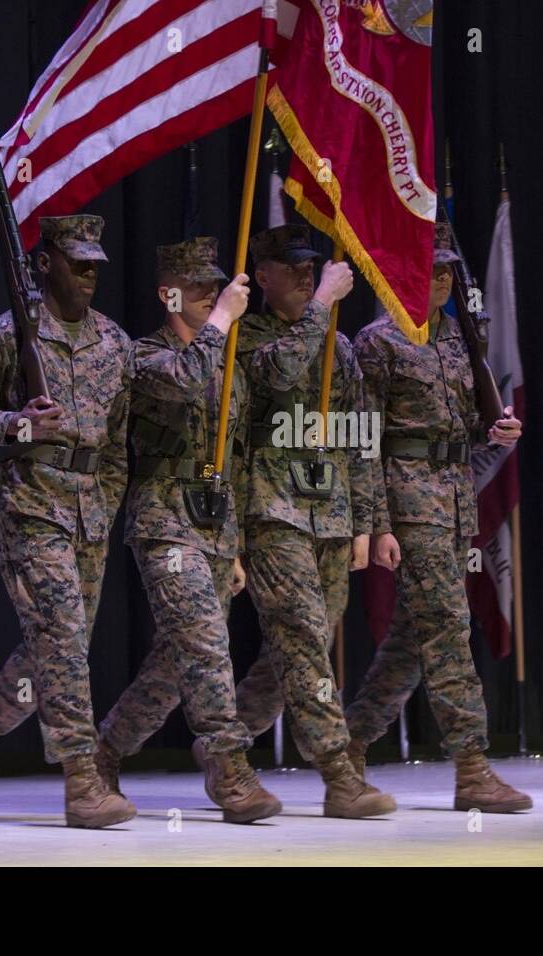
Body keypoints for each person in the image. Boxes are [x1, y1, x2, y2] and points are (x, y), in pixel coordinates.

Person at [0, 214, 135, 828]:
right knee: (65, 645)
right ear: (44, 263)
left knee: (52, 649)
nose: (89, 273)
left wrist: (105, 497)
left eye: (95, 262)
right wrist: (17, 425)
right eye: (77, 261)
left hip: (89, 510)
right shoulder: (3, 336)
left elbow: (119, 440)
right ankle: (82, 780)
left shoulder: (115, 343)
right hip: (30, 503)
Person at [346, 221, 532, 813]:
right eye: (432, 268)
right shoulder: (377, 344)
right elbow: (363, 440)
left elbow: (461, 423)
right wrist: (376, 522)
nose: (443, 278)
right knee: (449, 631)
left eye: (449, 268)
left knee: (410, 641)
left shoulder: (458, 338)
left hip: (453, 498)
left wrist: (495, 430)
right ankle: (472, 770)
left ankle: (346, 744)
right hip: (409, 502)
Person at [94, 236, 282, 824]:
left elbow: (240, 459)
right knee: (204, 643)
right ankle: (229, 770)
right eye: (197, 287)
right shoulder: (141, 356)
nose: (209, 295)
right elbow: (182, 377)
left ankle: (105, 750)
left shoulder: (231, 367)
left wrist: (238, 545)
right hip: (165, 524)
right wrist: (224, 318)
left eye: (215, 286)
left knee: (175, 667)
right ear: (166, 293)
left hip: (215, 528)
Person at [221, 224, 396, 818]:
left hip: (332, 515)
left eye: (311, 268)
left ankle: (226, 747)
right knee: (300, 639)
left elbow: (361, 439)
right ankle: (338, 773)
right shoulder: (244, 336)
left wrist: (372, 522)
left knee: (303, 649)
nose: (304, 276)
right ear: (262, 276)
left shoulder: (339, 349)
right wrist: (322, 305)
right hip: (273, 511)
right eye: (292, 268)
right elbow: (278, 374)